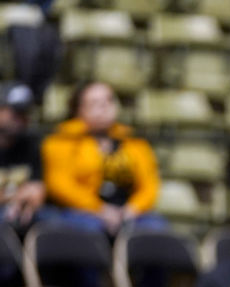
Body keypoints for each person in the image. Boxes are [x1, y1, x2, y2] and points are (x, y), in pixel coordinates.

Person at [40, 80, 165, 235]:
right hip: (81, 211)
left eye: (109, 100)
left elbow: (150, 186)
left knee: (156, 227)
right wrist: (99, 209)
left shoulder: (134, 140)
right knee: (90, 229)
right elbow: (59, 184)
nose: (104, 107)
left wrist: (132, 209)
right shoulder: (62, 139)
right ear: (79, 110)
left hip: (126, 212)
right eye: (94, 103)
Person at [0, 81, 44, 233]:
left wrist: (26, 200)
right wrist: (16, 196)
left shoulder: (30, 144)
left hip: (22, 211)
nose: (21, 119)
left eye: (25, 113)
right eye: (16, 112)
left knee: (53, 220)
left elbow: (38, 191)